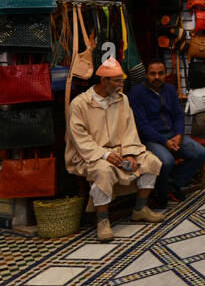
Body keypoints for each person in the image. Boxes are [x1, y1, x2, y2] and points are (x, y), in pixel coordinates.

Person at [65, 57, 165, 242]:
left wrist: (129, 153)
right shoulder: (80, 104)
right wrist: (105, 154)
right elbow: (79, 138)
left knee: (152, 161)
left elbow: (129, 129)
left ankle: (140, 209)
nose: (121, 85)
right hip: (90, 154)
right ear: (104, 81)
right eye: (118, 81)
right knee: (102, 171)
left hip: (121, 150)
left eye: (122, 80)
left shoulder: (122, 99)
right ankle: (102, 220)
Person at [129, 59, 205, 208]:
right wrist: (164, 141)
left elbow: (178, 115)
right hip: (150, 138)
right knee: (166, 162)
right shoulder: (137, 93)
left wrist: (179, 135)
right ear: (146, 75)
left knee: (202, 153)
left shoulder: (170, 89)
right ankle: (161, 191)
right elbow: (141, 124)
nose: (157, 77)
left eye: (160, 73)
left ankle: (173, 184)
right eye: (153, 74)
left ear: (166, 75)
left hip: (172, 134)